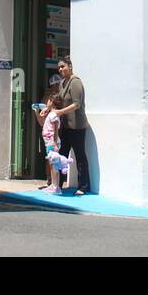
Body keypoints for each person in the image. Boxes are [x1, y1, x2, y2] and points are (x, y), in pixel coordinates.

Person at [53, 56, 91, 194]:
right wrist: (49, 108)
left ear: (70, 66)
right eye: (59, 67)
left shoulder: (75, 83)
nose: (60, 69)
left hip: (77, 126)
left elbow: (77, 104)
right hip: (66, 126)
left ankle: (83, 187)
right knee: (61, 155)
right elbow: (59, 100)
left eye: (63, 66)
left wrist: (60, 112)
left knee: (80, 156)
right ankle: (58, 184)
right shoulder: (63, 83)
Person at [34, 88, 72, 194]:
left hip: (52, 143)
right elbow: (42, 124)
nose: (47, 102)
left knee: (55, 164)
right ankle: (53, 184)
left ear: (53, 103)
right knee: (52, 164)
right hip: (49, 143)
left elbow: (55, 128)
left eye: (49, 100)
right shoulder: (50, 114)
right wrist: (38, 112)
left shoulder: (53, 114)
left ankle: (56, 187)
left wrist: (55, 142)